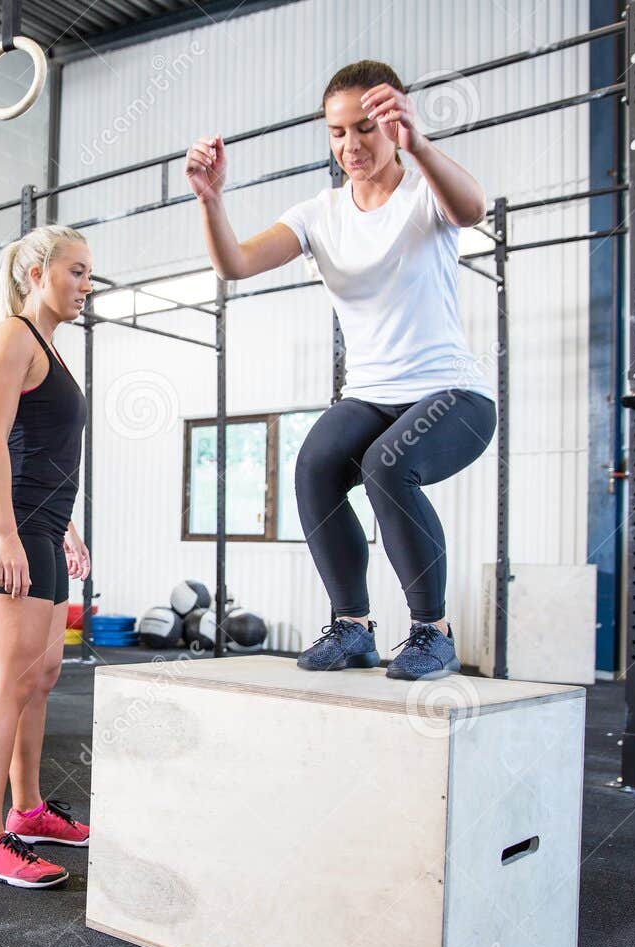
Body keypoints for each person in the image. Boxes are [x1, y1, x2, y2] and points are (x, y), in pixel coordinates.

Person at [187, 59, 495, 680]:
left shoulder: (423, 192)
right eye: (337, 133)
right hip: (371, 395)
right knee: (316, 466)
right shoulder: (318, 214)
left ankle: (432, 633)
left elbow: (472, 210)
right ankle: (353, 627)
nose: (351, 146)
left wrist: (422, 146)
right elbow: (236, 265)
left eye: (364, 128)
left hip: (451, 395)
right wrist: (212, 201)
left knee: (387, 464)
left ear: (394, 123)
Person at [0, 225, 94, 889]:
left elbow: (38, 449)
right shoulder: (12, 335)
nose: (84, 285)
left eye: (87, 273)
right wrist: (9, 532)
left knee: (40, 676)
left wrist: (63, 524)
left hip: (43, 527)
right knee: (9, 681)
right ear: (36, 272)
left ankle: (29, 810)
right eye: (75, 271)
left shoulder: (52, 350)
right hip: (10, 529)